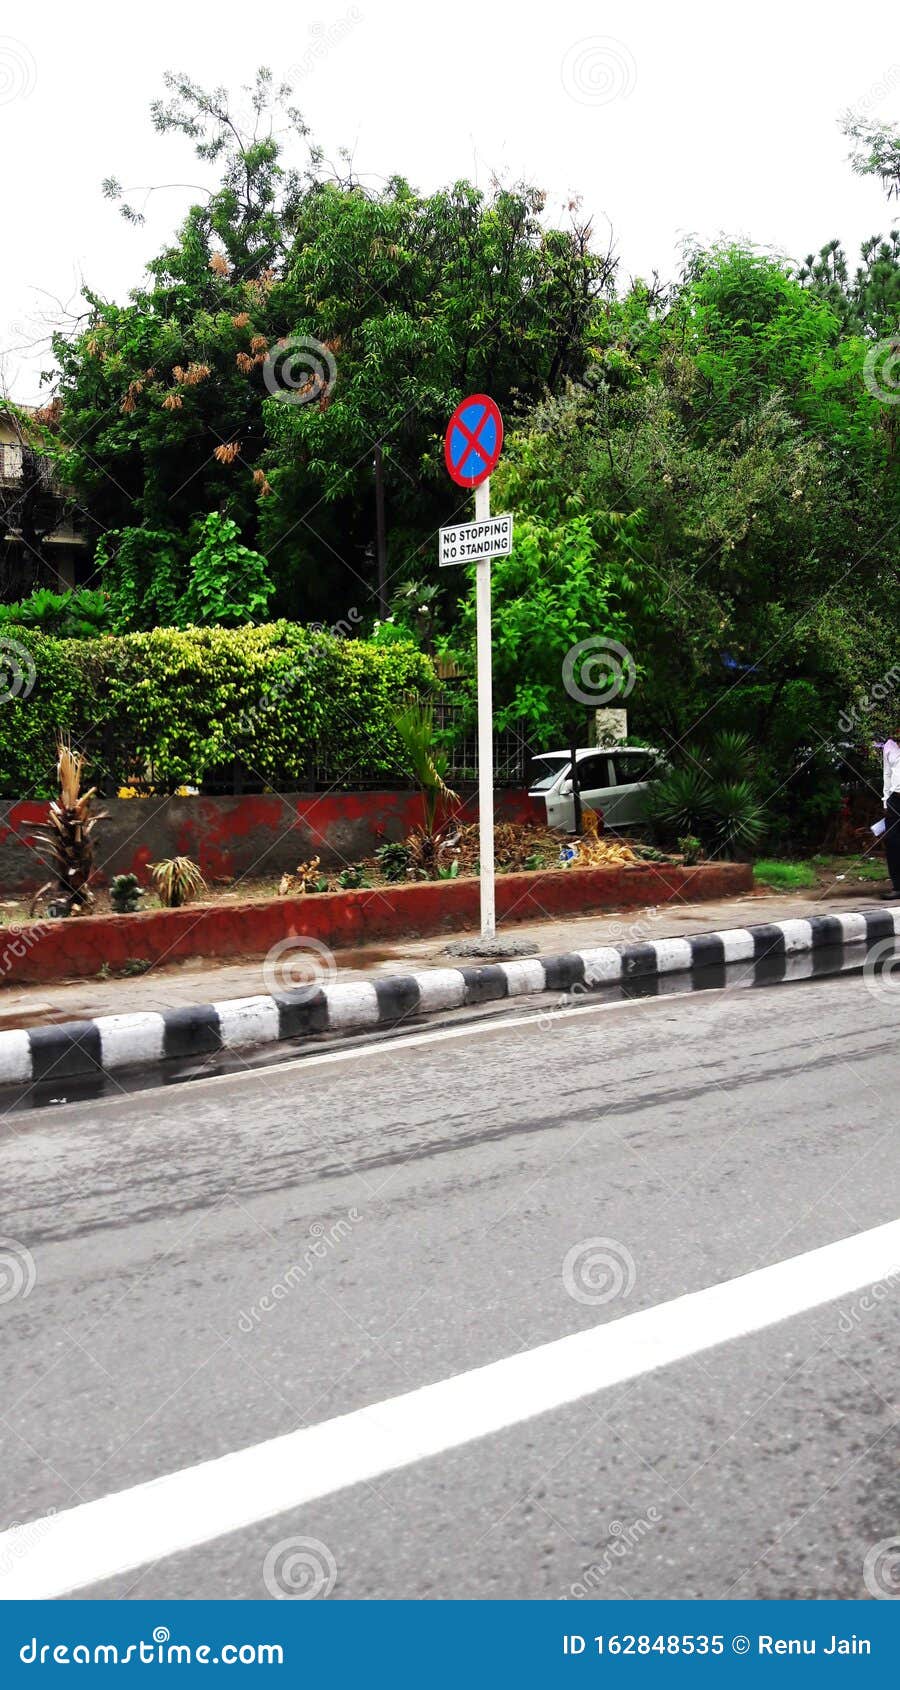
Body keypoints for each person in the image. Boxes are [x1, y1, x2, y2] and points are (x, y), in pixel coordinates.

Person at [879, 738, 900, 899]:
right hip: (895, 798)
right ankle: (898, 886)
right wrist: (886, 800)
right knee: (892, 841)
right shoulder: (889, 745)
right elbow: (887, 773)